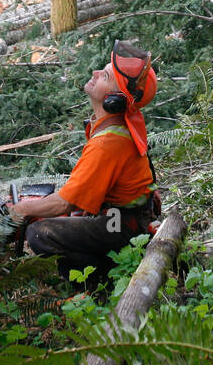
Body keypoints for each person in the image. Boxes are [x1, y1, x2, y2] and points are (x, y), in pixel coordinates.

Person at [9, 40, 159, 285]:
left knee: (39, 233)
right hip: (125, 217)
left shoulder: (108, 143)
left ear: (114, 101)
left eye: (105, 75)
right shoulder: (117, 127)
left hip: (120, 227)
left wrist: (21, 210)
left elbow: (65, 203)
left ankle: (101, 276)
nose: (95, 73)